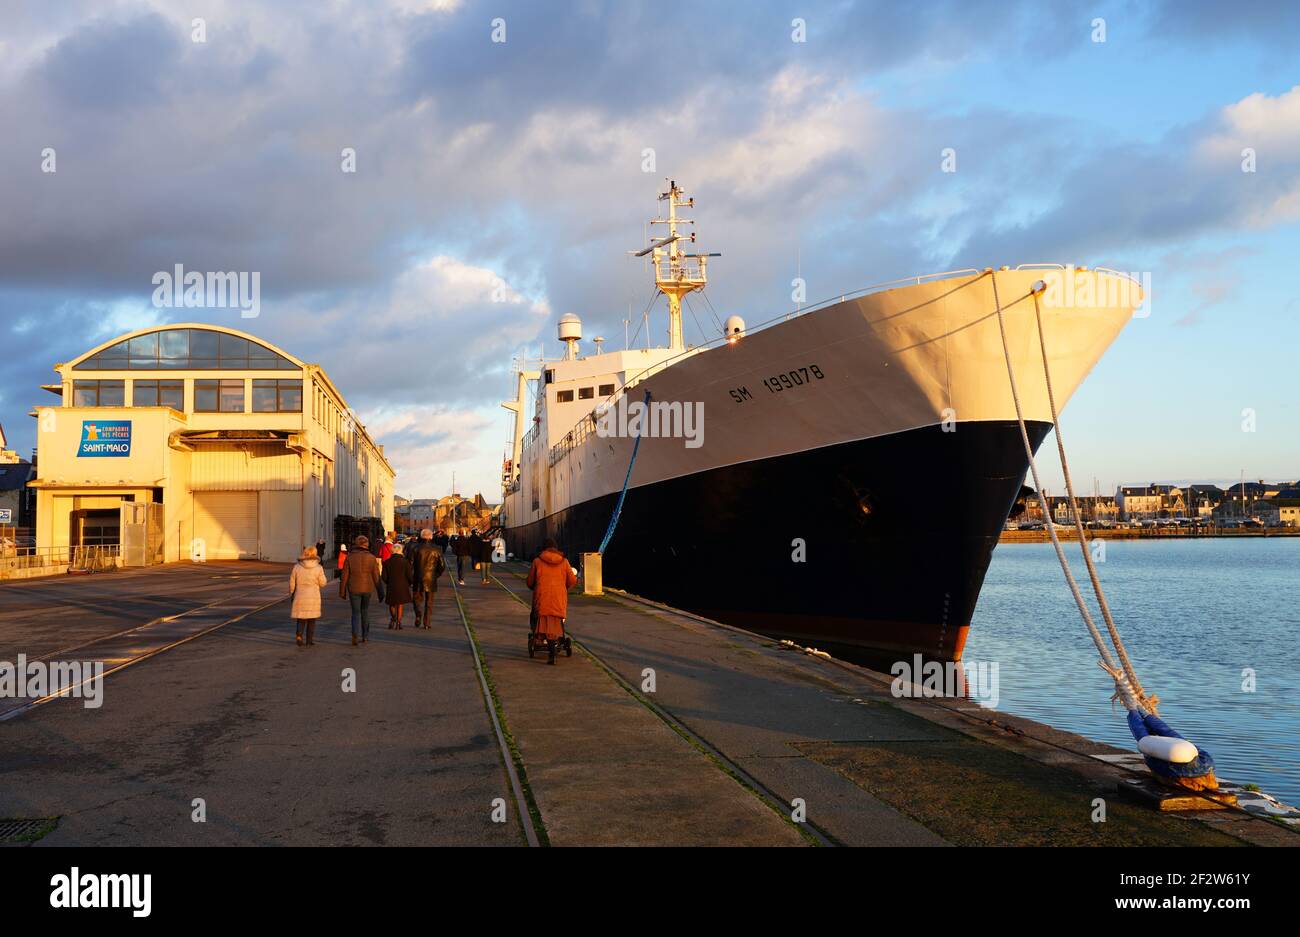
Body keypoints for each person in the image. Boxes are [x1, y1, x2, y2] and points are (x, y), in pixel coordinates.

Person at [526, 538, 577, 665]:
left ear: (543, 548)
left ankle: (543, 643)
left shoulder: (537, 561)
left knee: (539, 619)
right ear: (556, 548)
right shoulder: (564, 562)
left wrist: (535, 587)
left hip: (542, 600)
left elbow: (529, 582)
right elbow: (572, 581)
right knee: (556, 622)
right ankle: (554, 646)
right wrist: (563, 588)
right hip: (558, 601)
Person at [340, 535, 382, 645]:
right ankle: (365, 636)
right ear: (367, 545)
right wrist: (380, 592)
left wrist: (342, 591)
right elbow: (376, 576)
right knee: (365, 611)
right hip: (367, 588)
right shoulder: (372, 558)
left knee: (355, 613)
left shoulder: (350, 557)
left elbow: (344, 576)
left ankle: (355, 633)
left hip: (353, 588)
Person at [407, 528, 445, 628]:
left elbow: (409, 565)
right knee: (429, 602)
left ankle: (418, 614)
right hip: (431, 578)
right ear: (431, 537)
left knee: (416, 598)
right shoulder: (437, 549)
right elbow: (442, 566)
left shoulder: (415, 548)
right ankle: (427, 622)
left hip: (417, 577)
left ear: (421, 536)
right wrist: (435, 575)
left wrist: (410, 578)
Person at [290, 546, 328, 646]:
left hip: (300, 595)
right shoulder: (318, 567)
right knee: (312, 619)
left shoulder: (297, 567)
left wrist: (291, 592)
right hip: (313, 596)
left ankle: (299, 635)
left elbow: (292, 582)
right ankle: (309, 640)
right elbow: (323, 583)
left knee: (301, 617)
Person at [382, 541, 413, 630]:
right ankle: (399, 622)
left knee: (391, 604)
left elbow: (384, 576)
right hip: (402, 585)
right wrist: (409, 583)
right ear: (401, 551)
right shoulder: (405, 562)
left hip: (391, 585)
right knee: (400, 604)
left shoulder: (387, 562)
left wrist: (388, 582)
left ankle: (393, 618)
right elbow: (409, 575)